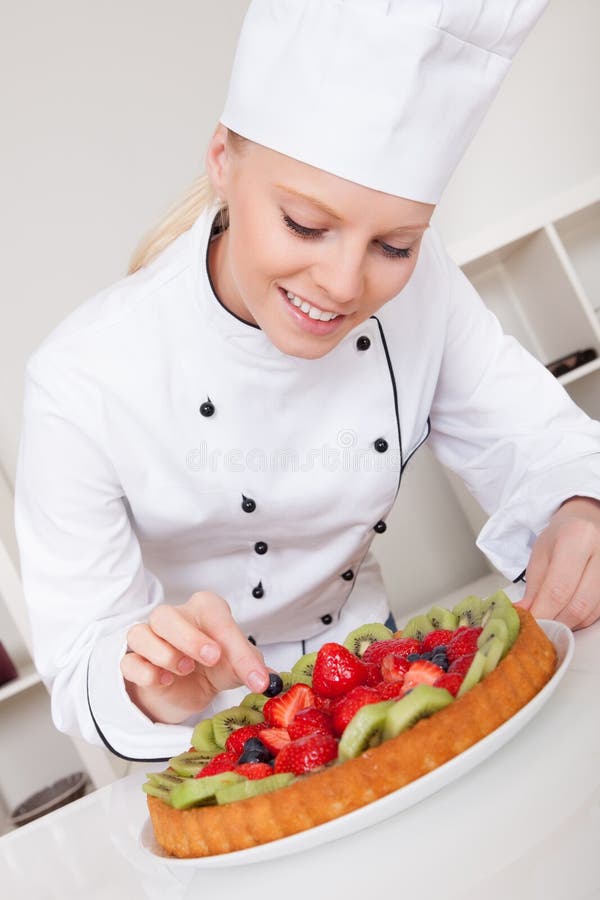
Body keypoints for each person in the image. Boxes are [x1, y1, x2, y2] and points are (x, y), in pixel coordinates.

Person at [14, 0, 600, 761]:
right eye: (305, 225)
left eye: (393, 244)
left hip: (375, 683)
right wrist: (147, 682)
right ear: (222, 159)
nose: (342, 284)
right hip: (211, 736)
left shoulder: (425, 295)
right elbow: (80, 653)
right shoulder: (80, 379)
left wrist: (579, 508)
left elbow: (540, 444)